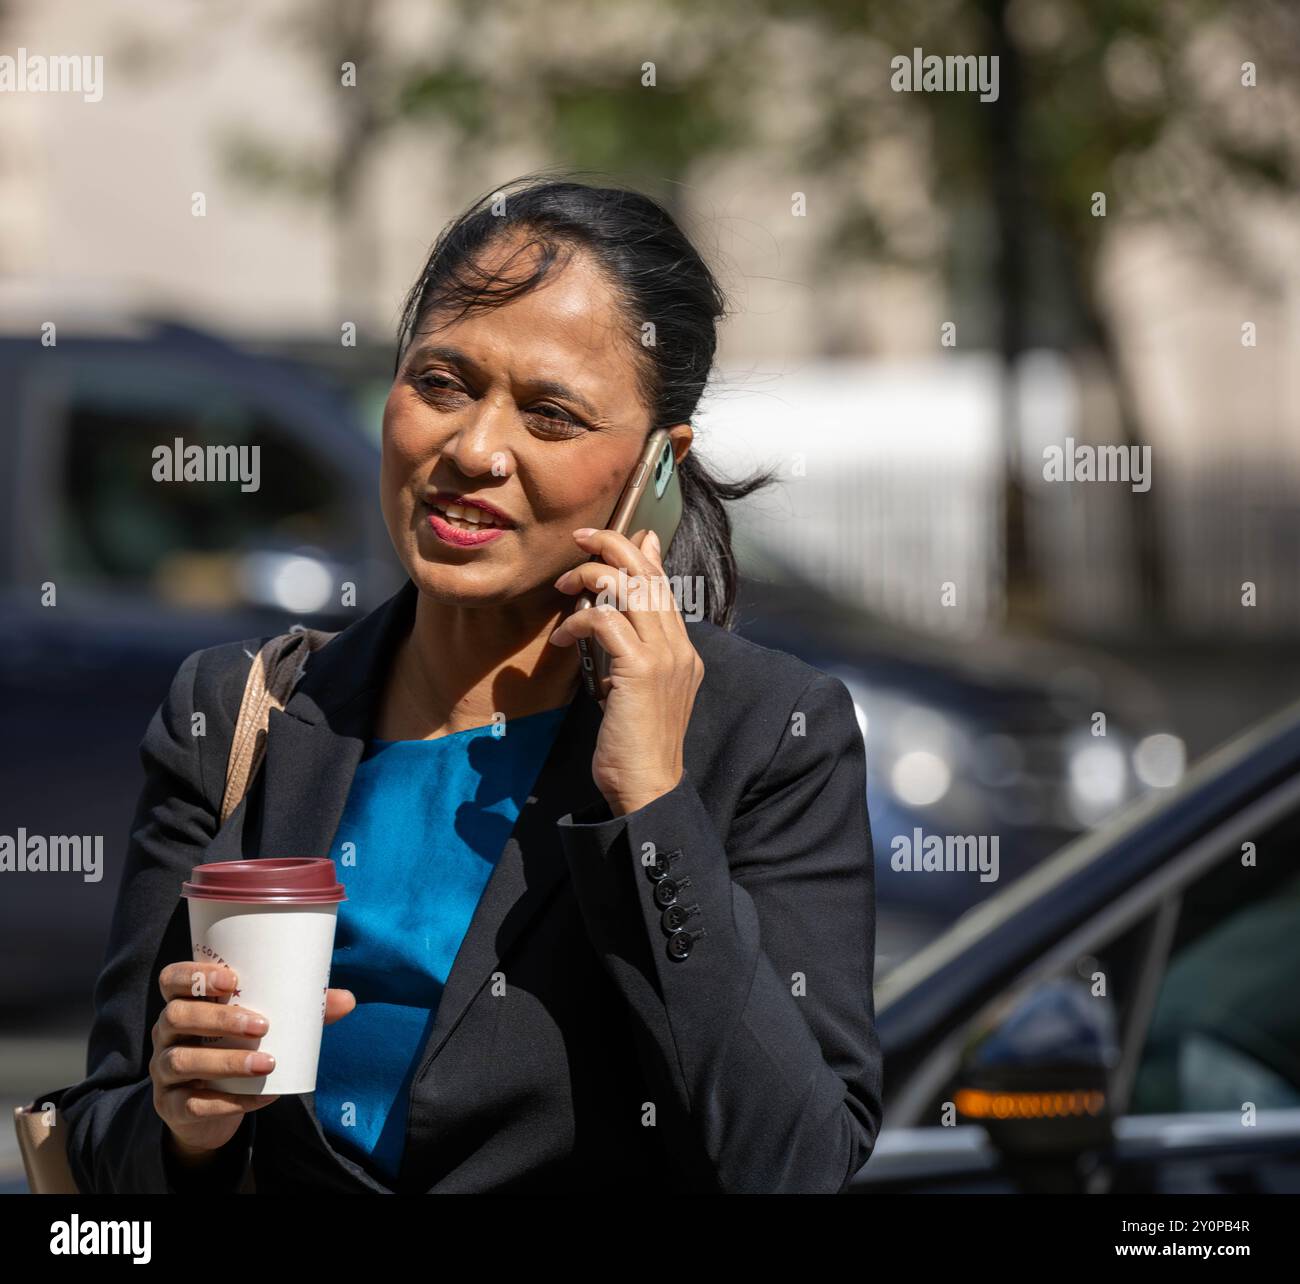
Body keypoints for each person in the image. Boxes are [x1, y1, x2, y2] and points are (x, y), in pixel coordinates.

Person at [60, 174, 884, 1193]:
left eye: (550, 414)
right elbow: (101, 1148)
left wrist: (653, 806)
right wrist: (184, 1119)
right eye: (442, 383)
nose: (474, 450)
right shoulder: (239, 715)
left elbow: (796, 1166)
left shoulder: (764, 735)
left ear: (655, 473)